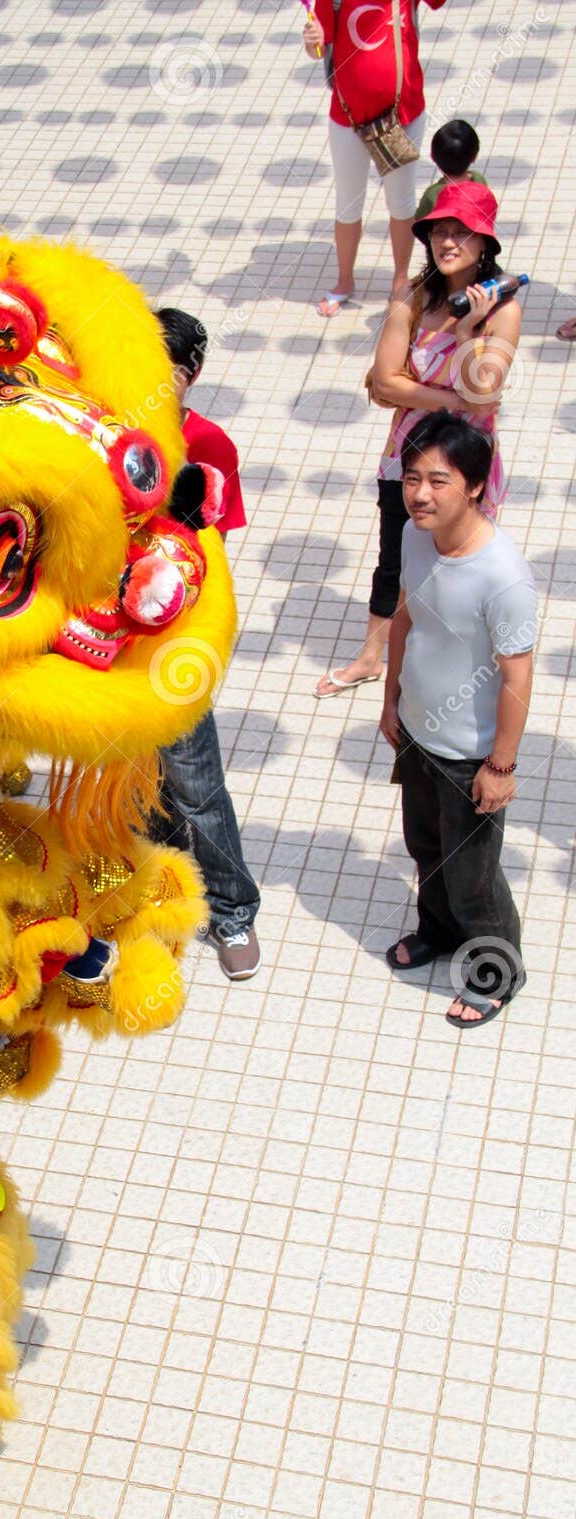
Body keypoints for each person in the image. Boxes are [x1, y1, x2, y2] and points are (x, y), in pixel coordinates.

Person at [315, 180, 519, 698]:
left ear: (485, 244)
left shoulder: (503, 310)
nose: (447, 243)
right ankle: (370, 656)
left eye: (461, 233)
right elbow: (384, 382)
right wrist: (452, 399)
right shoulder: (411, 294)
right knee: (395, 557)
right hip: (404, 455)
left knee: (459, 561)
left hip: (465, 464)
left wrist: (469, 330)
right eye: (439, 233)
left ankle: (460, 659)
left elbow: (484, 390)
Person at [380, 412, 535, 1030]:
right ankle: (438, 932)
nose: (420, 493)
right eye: (412, 477)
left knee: (474, 877)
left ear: (475, 485)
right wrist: (391, 701)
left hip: (470, 754)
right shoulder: (416, 536)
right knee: (425, 847)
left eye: (439, 480)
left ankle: (496, 974)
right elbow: (405, 616)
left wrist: (500, 766)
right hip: (418, 731)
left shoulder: (503, 577)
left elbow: (517, 679)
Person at [151, 307, 260, 981]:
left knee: (196, 786)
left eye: (167, 371)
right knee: (129, 782)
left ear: (193, 376)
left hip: (176, 642)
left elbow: (215, 555)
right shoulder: (97, 435)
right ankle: (156, 898)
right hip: (107, 647)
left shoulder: (208, 443)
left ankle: (233, 910)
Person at [303, 0, 449, 317]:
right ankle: (344, 281)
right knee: (347, 203)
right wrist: (312, 42)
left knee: (401, 202)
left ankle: (400, 279)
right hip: (346, 117)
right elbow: (320, 48)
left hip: (403, 115)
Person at [413, 118, 486, 220]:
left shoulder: (432, 195)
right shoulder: (479, 180)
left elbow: (420, 222)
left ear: (433, 157)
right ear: (475, 156)